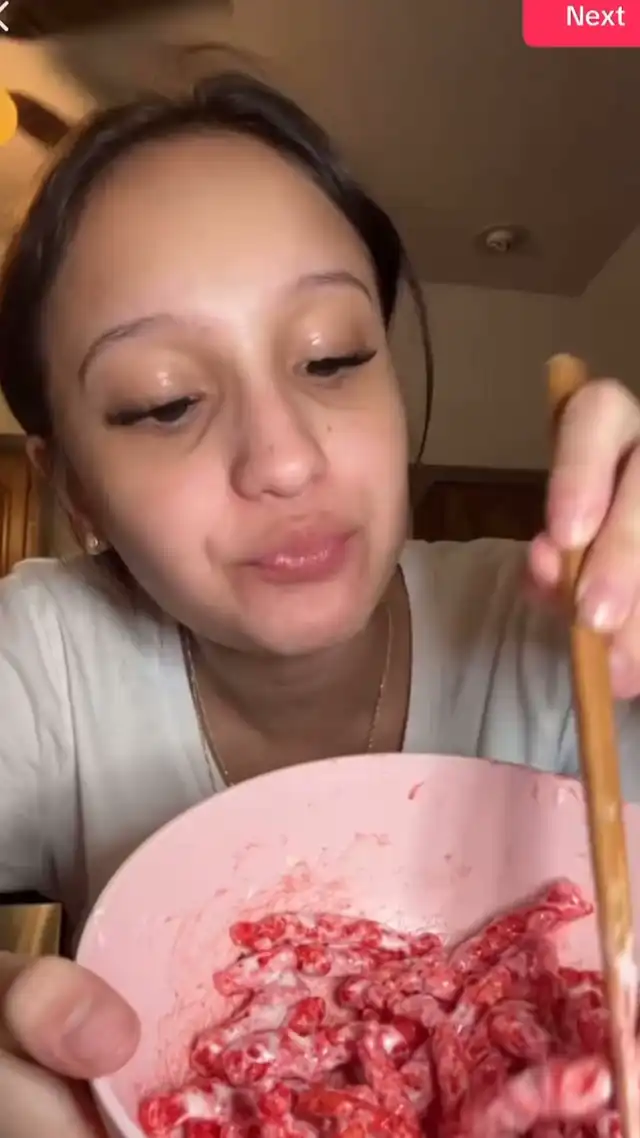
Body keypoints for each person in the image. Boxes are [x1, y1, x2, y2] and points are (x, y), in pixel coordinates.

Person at [0, 71, 639, 1137]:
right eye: (165, 402)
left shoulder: (564, 624)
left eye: (330, 357)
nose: (286, 459)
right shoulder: (42, 661)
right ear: (75, 492)